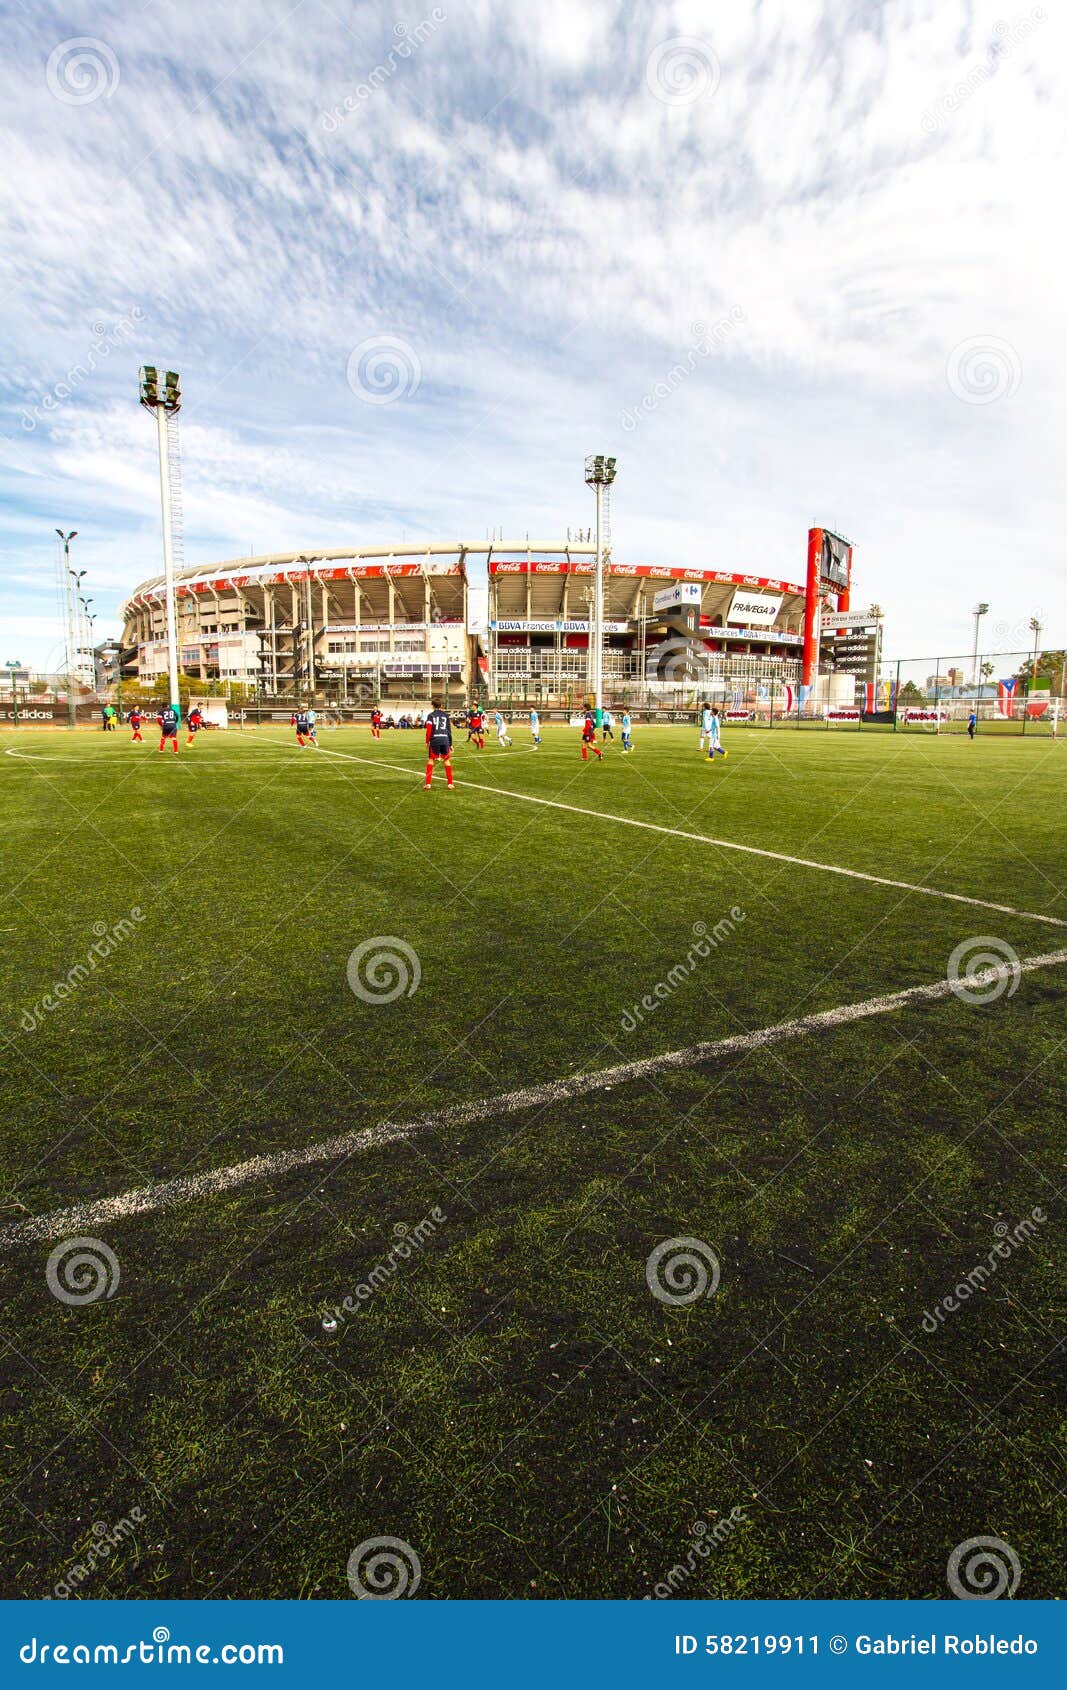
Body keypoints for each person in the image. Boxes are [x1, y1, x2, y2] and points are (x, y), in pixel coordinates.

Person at [424, 701, 454, 790]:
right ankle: (450, 784)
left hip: (435, 740)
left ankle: (428, 784)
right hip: (445, 740)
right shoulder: (446, 715)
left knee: (431, 760)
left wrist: (427, 741)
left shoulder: (430, 715)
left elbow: (429, 729)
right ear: (441, 705)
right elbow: (449, 730)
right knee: (447, 761)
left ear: (432, 706)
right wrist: (451, 744)